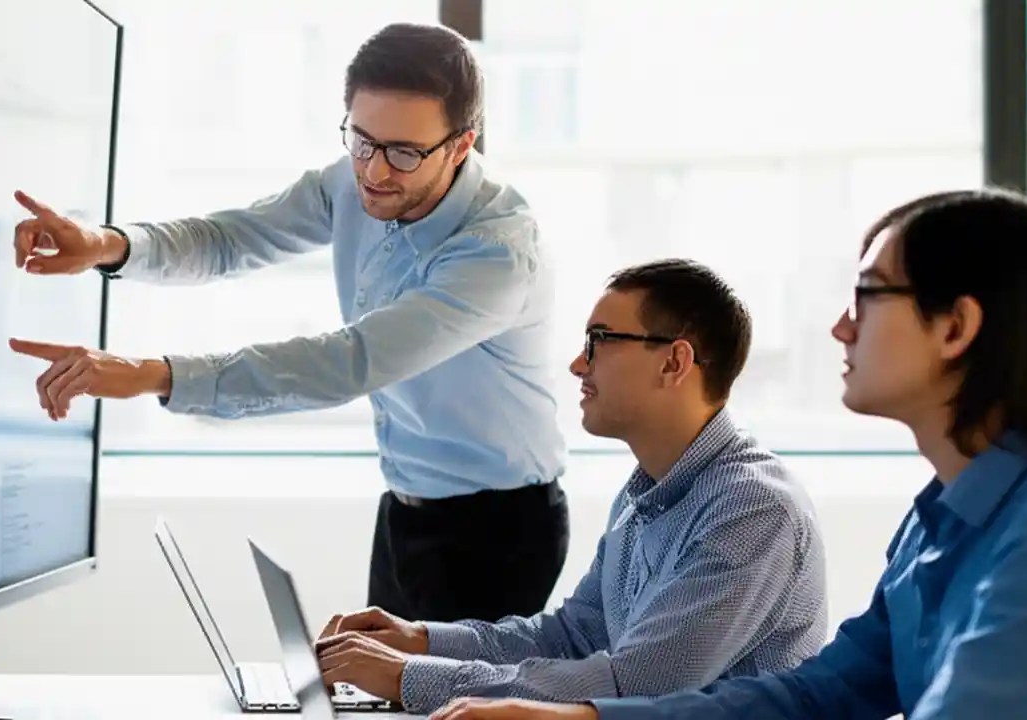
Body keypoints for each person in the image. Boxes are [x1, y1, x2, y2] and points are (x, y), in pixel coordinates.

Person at [427, 189, 1027, 720]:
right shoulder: (943, 515)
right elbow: (824, 691)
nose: (841, 328)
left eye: (868, 296)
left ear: (955, 326)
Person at [6, 23, 570, 623]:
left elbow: (351, 361)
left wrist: (153, 375)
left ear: (461, 146)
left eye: (405, 152)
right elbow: (233, 238)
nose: (376, 172)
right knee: (382, 705)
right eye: (362, 140)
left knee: (451, 712)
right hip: (406, 508)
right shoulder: (353, 180)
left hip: (501, 530)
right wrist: (105, 244)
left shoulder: (496, 251)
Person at [311, 259, 828, 714]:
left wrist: (407, 677)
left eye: (599, 341)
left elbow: (637, 685)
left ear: (674, 362)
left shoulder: (754, 509)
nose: (579, 364)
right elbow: (573, 636)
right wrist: (420, 641)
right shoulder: (645, 492)